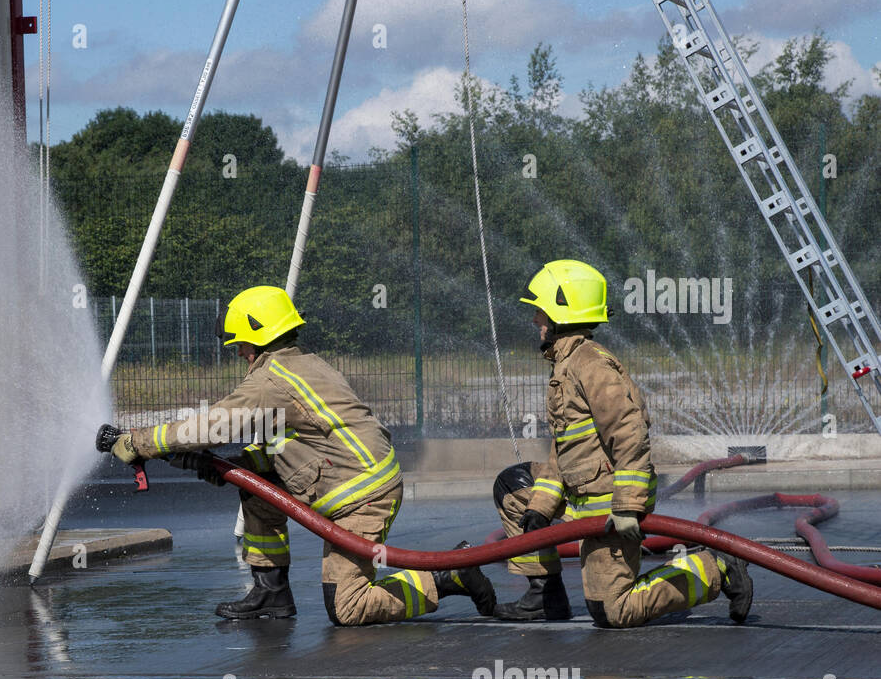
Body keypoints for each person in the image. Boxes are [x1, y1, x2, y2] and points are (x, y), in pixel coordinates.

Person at [100, 285, 495, 624]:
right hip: (352, 479)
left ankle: (446, 576)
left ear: (256, 338)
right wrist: (235, 468)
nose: (238, 352)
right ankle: (271, 592)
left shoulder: (271, 381)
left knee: (347, 608)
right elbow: (289, 441)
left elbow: (212, 426)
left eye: (240, 342)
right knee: (257, 490)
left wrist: (139, 442)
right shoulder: (299, 365)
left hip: (362, 495)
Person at [491, 259, 754, 626]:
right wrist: (541, 506)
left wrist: (627, 507)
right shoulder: (566, 366)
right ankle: (544, 598)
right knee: (513, 486)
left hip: (608, 508)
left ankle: (715, 568)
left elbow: (630, 433)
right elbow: (565, 447)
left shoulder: (592, 366)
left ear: (561, 312)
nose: (535, 319)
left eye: (540, 311)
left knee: (613, 612)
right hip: (582, 500)